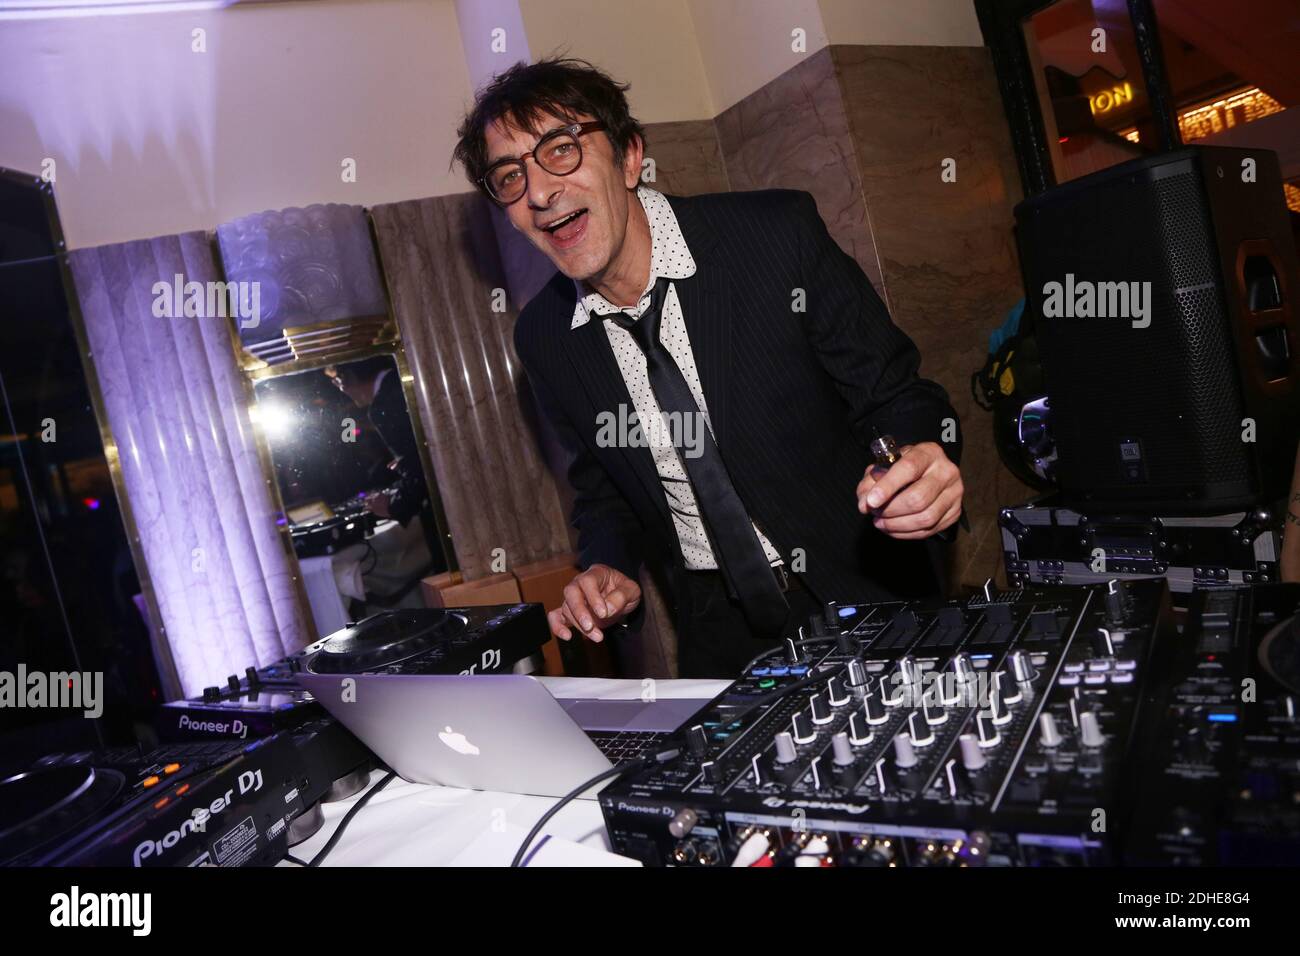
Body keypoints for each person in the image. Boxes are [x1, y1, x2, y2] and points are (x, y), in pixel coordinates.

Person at [454, 58, 964, 677]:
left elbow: (896, 395)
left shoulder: (776, 236)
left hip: (865, 595)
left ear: (629, 156)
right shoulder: (544, 338)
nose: (537, 192)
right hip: (720, 641)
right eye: (509, 176)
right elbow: (602, 486)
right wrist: (606, 564)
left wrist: (919, 462)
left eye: (560, 150)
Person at [324, 357, 428, 526]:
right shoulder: (399, 378)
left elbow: (419, 471)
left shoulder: (381, 408)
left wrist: (394, 506)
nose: (341, 390)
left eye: (338, 381)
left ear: (350, 376)